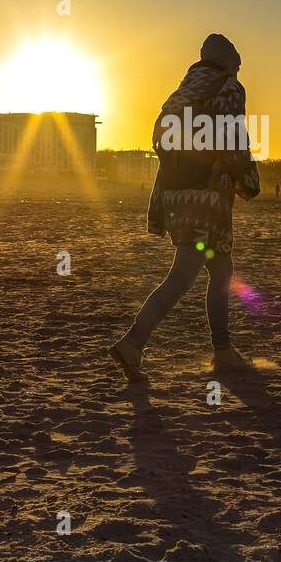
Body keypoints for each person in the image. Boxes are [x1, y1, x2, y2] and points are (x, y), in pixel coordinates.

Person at [110, 34, 260, 383]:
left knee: (221, 270)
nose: (238, 69)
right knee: (183, 274)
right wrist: (248, 179)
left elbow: (162, 142)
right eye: (236, 63)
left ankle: (223, 351)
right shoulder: (229, 87)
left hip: (176, 194)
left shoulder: (180, 94)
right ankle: (133, 342)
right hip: (207, 198)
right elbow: (232, 136)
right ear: (228, 62)